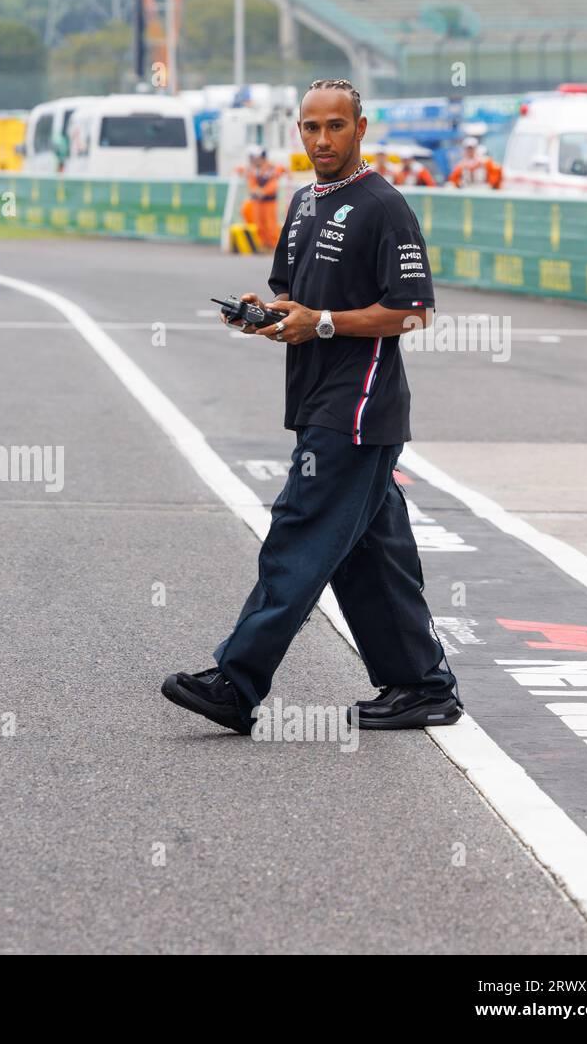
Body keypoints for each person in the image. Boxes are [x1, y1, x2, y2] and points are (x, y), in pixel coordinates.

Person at [161, 78, 462, 735]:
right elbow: (293, 299)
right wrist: (264, 316)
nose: (322, 140)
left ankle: (235, 685)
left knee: (299, 532)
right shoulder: (302, 204)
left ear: (361, 128)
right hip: (319, 398)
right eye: (310, 128)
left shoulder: (384, 206)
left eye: (335, 127)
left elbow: (414, 313)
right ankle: (421, 685)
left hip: (358, 408)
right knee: (370, 554)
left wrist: (321, 324)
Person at [238, 145, 286, 249]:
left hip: (270, 202)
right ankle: (262, 245)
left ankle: (274, 246)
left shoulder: (272, 168)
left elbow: (274, 183)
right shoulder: (253, 169)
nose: (253, 160)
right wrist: (255, 190)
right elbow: (250, 181)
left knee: (271, 225)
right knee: (258, 225)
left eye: (255, 158)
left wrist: (263, 191)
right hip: (257, 201)